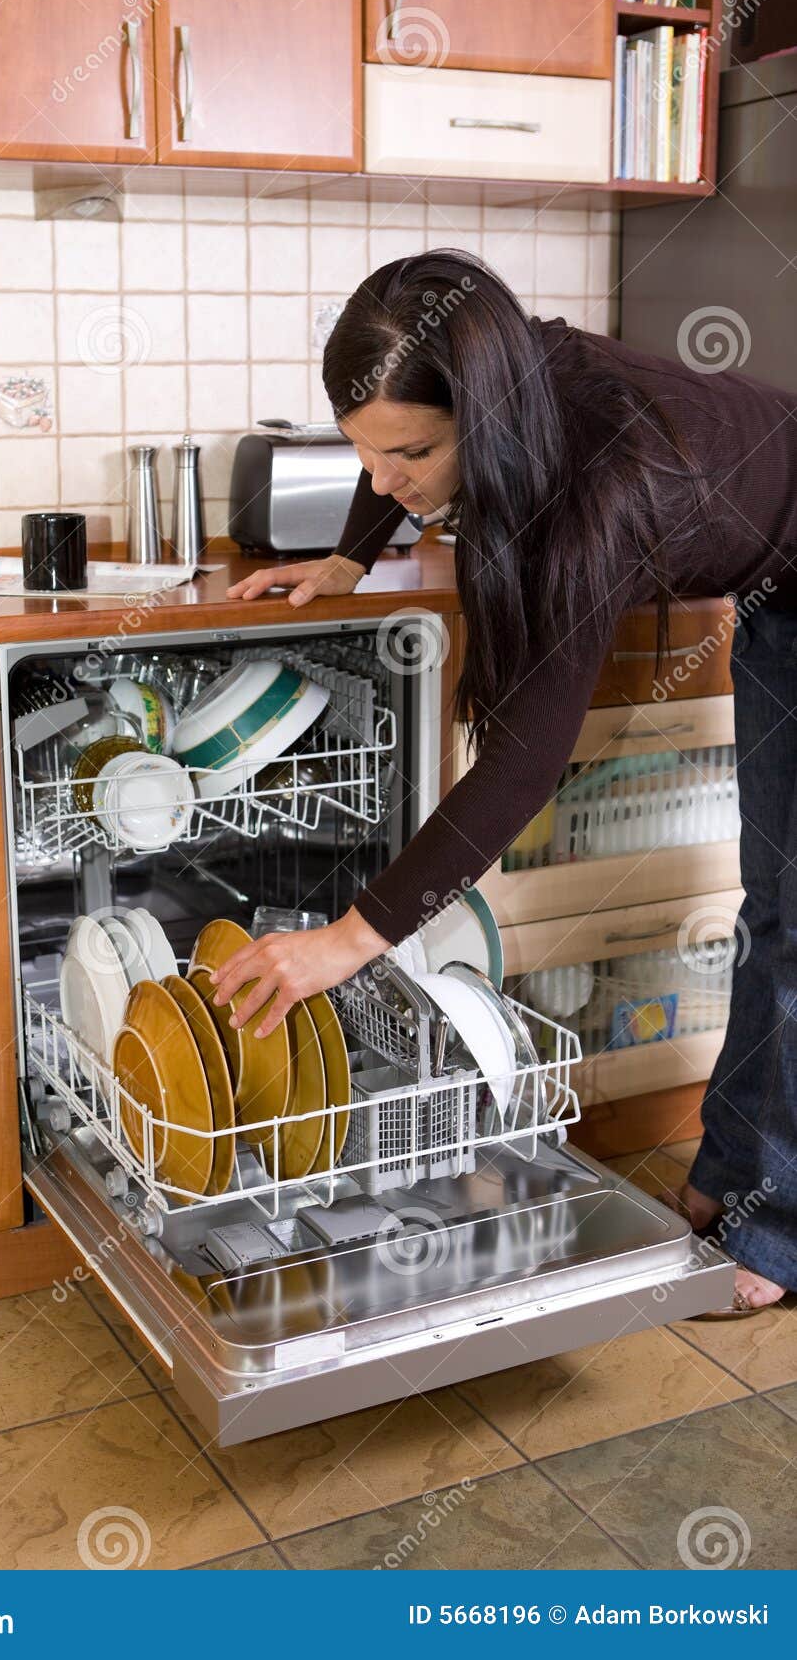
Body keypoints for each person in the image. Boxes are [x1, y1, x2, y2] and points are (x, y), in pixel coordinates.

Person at [210, 248, 797, 1318]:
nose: (390, 477)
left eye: (413, 456)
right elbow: (391, 441)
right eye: (368, 455)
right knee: (779, 914)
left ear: (482, 416)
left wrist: (346, 941)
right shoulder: (505, 383)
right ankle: (729, 1176)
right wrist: (350, 557)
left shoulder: (599, 493)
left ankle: (779, 1230)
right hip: (773, 590)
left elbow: (522, 759)